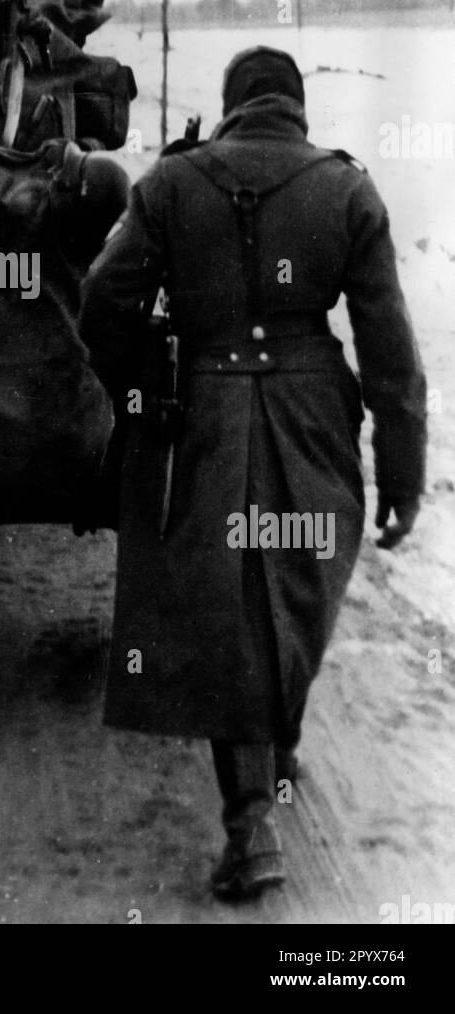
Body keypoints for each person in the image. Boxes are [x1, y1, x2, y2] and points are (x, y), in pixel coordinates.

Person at [80, 46, 426, 901]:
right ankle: (265, 775)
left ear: (231, 104)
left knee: (226, 605)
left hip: (203, 407)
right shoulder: (346, 189)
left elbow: (99, 301)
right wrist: (404, 475)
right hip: (315, 415)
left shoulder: (169, 184)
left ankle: (251, 822)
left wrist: (140, 389)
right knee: (297, 582)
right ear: (297, 107)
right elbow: (391, 358)